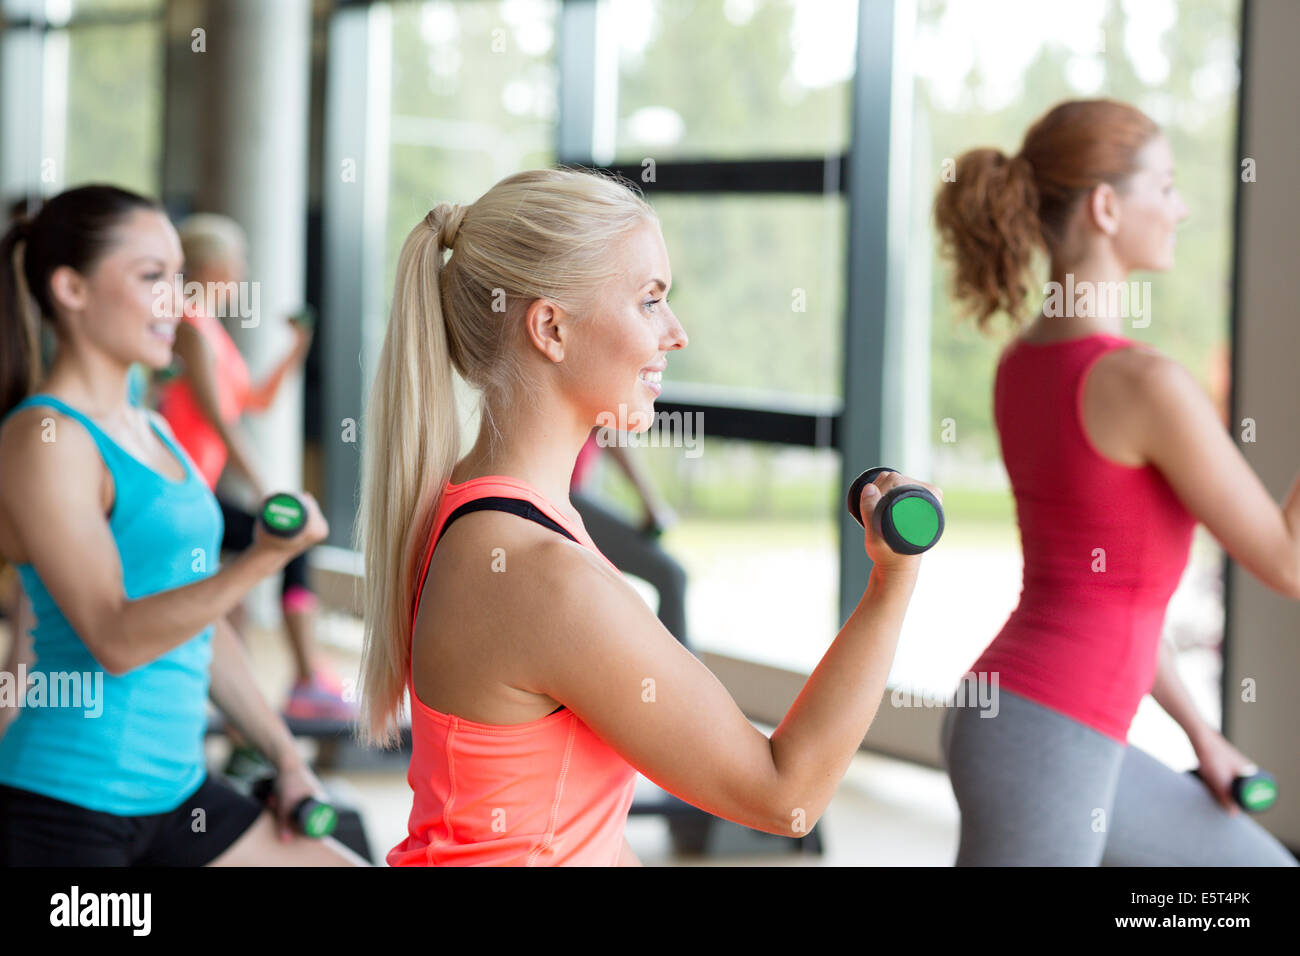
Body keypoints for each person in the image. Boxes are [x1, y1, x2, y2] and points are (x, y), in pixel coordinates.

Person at [356, 167, 939, 866]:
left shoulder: (476, 511)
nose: (677, 333)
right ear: (550, 327)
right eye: (650, 301)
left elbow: (580, 831)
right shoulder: (539, 576)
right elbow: (786, 796)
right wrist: (891, 584)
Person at [932, 99, 1298, 866]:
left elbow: (1109, 596)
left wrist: (1205, 738)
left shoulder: (1021, 364)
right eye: (1164, 187)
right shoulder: (1143, 383)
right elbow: (1288, 563)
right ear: (1106, 206)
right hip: (1046, 733)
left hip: (1026, 720)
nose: (1182, 206)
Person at [0, 184, 362, 865]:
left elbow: (198, 620)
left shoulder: (157, 432)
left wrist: (285, 756)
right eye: (151, 277)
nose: (177, 300)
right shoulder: (43, 438)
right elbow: (114, 636)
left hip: (180, 795)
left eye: (179, 277)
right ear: (72, 289)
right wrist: (261, 559)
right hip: (67, 811)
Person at [154, 213, 352, 721]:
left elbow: (256, 400)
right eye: (238, 261)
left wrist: (297, 348)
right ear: (218, 266)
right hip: (180, 491)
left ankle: (240, 720)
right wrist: (267, 488)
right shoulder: (190, 329)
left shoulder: (210, 333)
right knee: (288, 548)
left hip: (200, 491)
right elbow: (220, 421)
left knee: (235, 601)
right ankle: (307, 679)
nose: (242, 270)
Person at [570, 428, 690, 649]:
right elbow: (608, 429)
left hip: (571, 495)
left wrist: (650, 503)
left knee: (671, 575)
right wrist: (650, 502)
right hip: (561, 497)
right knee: (671, 575)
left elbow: (607, 432)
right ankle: (676, 678)